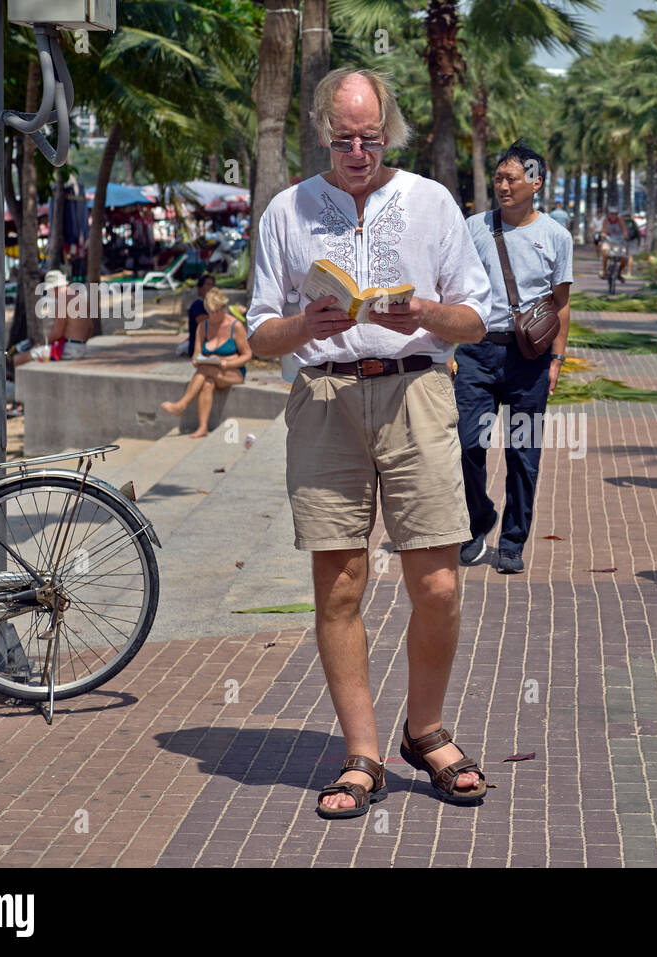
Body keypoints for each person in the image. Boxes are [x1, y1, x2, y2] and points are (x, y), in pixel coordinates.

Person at [246, 67, 494, 819]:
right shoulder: (287, 211)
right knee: (341, 584)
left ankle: (426, 728)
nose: (358, 151)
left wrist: (422, 310)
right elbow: (259, 332)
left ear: (390, 131)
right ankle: (362, 752)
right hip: (324, 397)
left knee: (439, 583)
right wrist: (303, 326)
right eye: (345, 138)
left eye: (371, 137)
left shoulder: (431, 203)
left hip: (418, 389)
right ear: (322, 131)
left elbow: (477, 319)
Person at [456, 142, 573, 574]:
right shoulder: (473, 227)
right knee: (468, 445)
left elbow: (560, 303)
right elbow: (455, 287)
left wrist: (557, 360)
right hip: (476, 353)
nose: (503, 186)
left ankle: (512, 540)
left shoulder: (556, 237)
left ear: (536, 183)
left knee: (523, 453)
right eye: (499, 178)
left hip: (530, 361)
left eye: (512, 179)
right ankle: (478, 520)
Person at [160, 287, 251, 437]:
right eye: (210, 312)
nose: (214, 315)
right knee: (207, 384)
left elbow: (247, 355)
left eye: (217, 311)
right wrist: (198, 361)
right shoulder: (203, 326)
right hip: (212, 370)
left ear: (224, 307)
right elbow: (196, 354)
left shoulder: (236, 326)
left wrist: (227, 363)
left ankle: (182, 405)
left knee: (205, 369)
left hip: (233, 372)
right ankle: (202, 428)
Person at [12, 270, 92, 366]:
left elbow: (57, 333)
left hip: (70, 350)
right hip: (82, 348)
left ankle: (8, 377)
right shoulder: (80, 297)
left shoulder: (63, 300)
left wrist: (39, 345)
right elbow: (90, 327)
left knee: (23, 357)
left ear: (54, 288)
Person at [177, 273, 216, 357]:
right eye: (208, 284)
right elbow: (207, 326)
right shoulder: (198, 305)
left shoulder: (211, 306)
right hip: (199, 349)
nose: (211, 288)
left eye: (212, 285)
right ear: (200, 288)